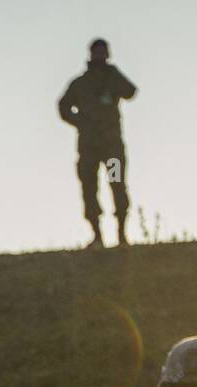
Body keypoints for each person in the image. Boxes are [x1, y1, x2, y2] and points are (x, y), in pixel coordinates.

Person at [57, 38, 136, 249]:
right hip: (89, 146)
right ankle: (97, 237)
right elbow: (63, 106)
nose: (100, 56)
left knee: (117, 186)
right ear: (91, 54)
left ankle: (122, 236)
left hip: (112, 146)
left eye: (103, 52)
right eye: (97, 52)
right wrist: (81, 123)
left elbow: (130, 91)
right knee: (89, 189)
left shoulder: (113, 77)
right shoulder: (80, 83)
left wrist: (113, 76)